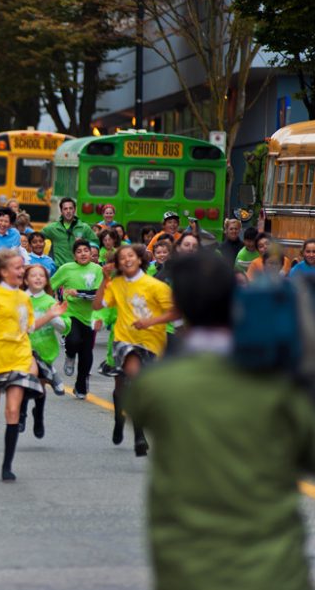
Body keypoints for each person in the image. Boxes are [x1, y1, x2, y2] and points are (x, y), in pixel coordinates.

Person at [125, 250, 315, 590]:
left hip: (186, 569)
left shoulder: (159, 386)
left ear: (181, 308)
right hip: (275, 569)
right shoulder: (277, 385)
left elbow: (138, 403)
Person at [0, 251, 66, 480]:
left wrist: (50, 315)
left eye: (22, 267)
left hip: (19, 359)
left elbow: (29, 327)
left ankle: (7, 466)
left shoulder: (23, 298)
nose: (22, 271)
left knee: (12, 411)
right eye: (18, 267)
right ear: (3, 272)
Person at [93, 244, 177, 457]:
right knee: (131, 380)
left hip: (151, 343)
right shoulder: (117, 283)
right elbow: (97, 305)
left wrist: (150, 321)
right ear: (118, 263)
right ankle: (137, 435)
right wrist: (105, 279)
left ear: (140, 259)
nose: (127, 260)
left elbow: (175, 313)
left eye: (131, 256)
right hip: (124, 341)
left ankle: (123, 419)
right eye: (122, 258)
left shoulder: (155, 285)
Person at [17, 264, 69, 437]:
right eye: (33, 275)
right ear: (25, 280)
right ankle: (21, 415)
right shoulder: (20, 299)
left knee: (39, 386)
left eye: (42, 275)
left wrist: (55, 318)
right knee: (26, 380)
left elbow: (64, 326)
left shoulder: (50, 301)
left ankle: (38, 415)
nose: (38, 278)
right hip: (24, 349)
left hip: (45, 349)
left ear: (46, 280)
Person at [50, 238, 103, 399]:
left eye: (86, 251)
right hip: (70, 313)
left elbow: (97, 293)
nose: (83, 254)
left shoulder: (97, 270)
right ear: (74, 255)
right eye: (79, 252)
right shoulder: (66, 269)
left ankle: (80, 386)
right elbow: (49, 285)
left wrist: (78, 293)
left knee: (87, 352)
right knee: (73, 340)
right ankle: (70, 355)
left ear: (91, 253)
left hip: (90, 315)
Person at [42, 198, 96, 267]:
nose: (68, 211)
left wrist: (84, 243)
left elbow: (96, 244)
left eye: (71, 208)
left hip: (79, 269)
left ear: (74, 210)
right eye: (65, 209)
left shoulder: (84, 227)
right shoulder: (52, 228)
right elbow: (36, 238)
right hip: (59, 270)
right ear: (61, 211)